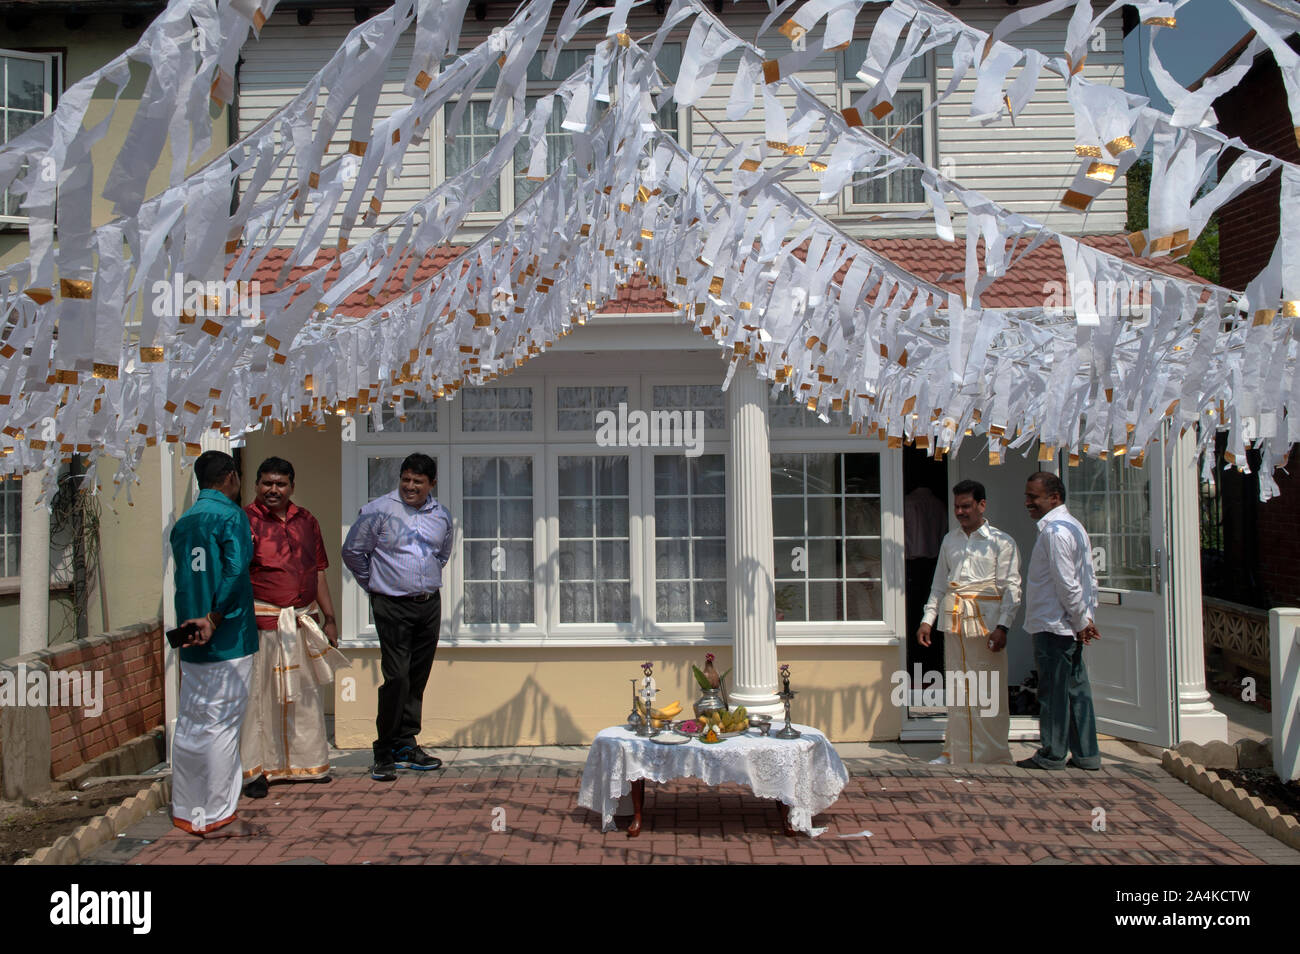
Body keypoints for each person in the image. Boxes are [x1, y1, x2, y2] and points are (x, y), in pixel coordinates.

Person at [341, 453, 453, 781]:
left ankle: (407, 743)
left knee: (417, 677)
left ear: (431, 484)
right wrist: (376, 585)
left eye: (418, 481)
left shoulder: (442, 515)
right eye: (405, 479)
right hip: (391, 605)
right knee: (397, 677)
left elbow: (441, 556)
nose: (410, 486)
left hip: (429, 604)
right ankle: (384, 749)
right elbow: (353, 552)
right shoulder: (378, 511)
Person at [169, 450, 263, 837]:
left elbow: (186, 576)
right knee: (222, 725)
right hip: (226, 634)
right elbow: (237, 569)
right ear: (230, 477)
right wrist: (215, 616)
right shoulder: (230, 515)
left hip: (190, 634)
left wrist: (199, 619)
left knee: (192, 721)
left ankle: (186, 809)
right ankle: (216, 810)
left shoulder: (184, 522)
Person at [241, 456, 344, 796]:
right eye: (267, 483)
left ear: (292, 487)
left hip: (302, 622)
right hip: (263, 626)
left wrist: (329, 619)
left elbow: (318, 572)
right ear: (257, 485)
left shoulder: (306, 521)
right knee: (261, 699)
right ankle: (258, 771)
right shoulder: (245, 521)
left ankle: (308, 765)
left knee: (304, 696)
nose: (273, 490)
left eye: (280, 484)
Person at [917, 480, 1022, 765]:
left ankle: (992, 755)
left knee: (987, 692)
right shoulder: (950, 540)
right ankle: (955, 752)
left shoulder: (1002, 542)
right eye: (957, 507)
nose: (961, 512)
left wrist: (1003, 627)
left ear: (981, 505)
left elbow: (1011, 588)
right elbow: (939, 585)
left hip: (987, 626)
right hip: (954, 623)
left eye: (966, 506)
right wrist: (928, 619)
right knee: (958, 688)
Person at [1017, 471, 1102, 771]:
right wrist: (1085, 619)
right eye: (1027, 496)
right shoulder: (1074, 527)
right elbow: (1087, 579)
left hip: (1054, 625)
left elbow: (1069, 584)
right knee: (1077, 691)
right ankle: (1087, 754)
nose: (1027, 502)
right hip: (1070, 624)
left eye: (1033, 497)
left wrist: (1081, 621)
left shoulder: (1055, 533)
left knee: (1054, 693)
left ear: (1054, 497)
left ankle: (1053, 753)